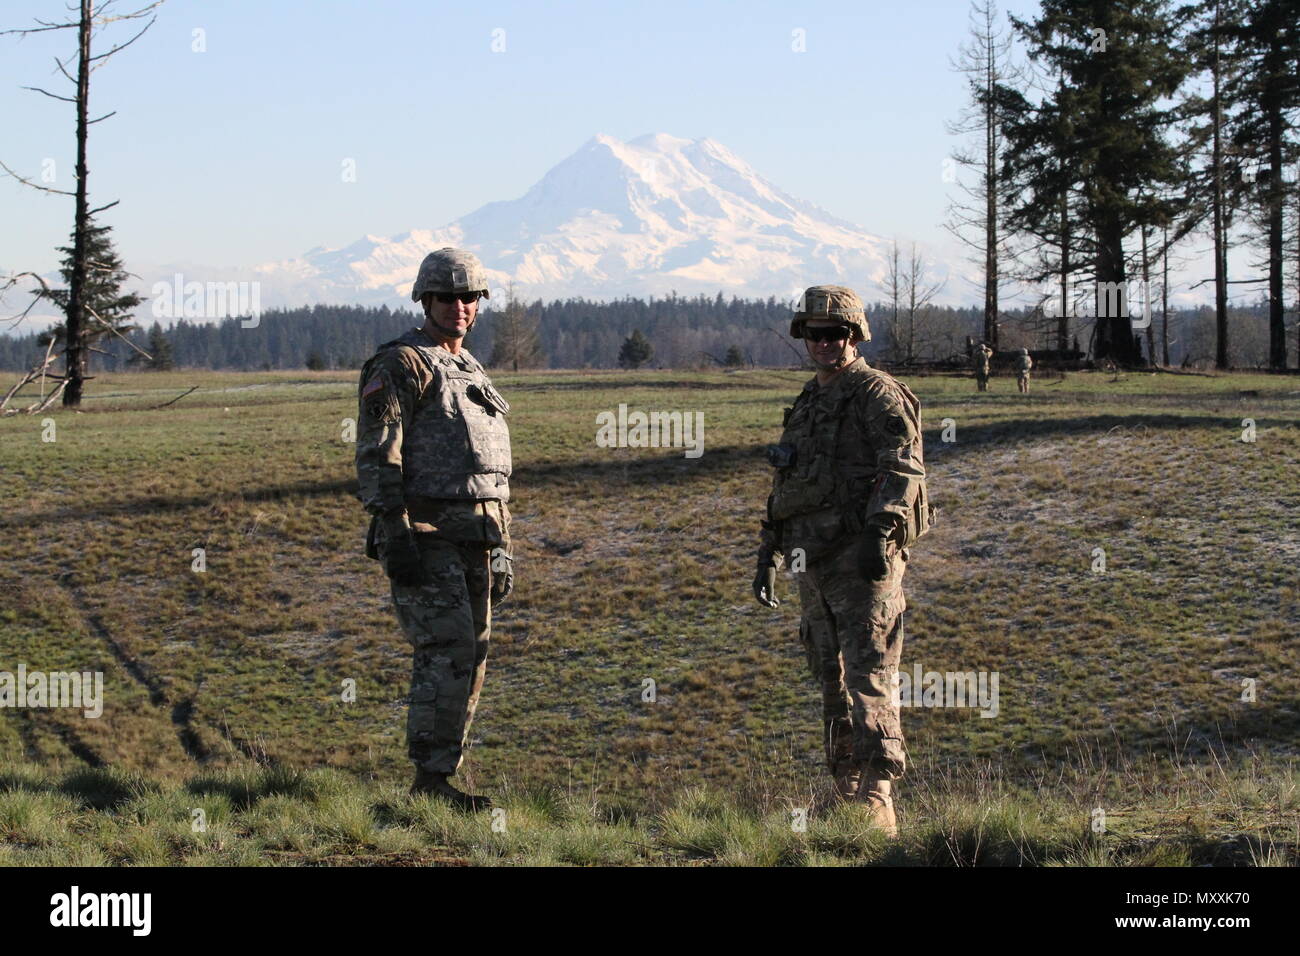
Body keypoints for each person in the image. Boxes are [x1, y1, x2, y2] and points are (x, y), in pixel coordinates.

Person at [753, 285, 932, 836]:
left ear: (855, 336)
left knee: (870, 672)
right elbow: (789, 479)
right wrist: (768, 550)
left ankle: (879, 795)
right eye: (815, 334)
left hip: (860, 560)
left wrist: (882, 537)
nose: (826, 343)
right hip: (812, 559)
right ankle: (846, 786)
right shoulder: (810, 398)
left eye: (837, 334)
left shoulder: (877, 393)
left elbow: (904, 469)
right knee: (828, 677)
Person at [354, 247, 513, 811]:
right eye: (447, 296)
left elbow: (490, 469)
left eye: (470, 296)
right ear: (426, 298)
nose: (459, 306)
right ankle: (429, 780)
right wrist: (392, 528)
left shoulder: (471, 369)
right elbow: (378, 454)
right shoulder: (401, 363)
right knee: (445, 649)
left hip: (479, 537)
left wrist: (504, 547)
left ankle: (442, 776)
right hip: (425, 534)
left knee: (474, 653)